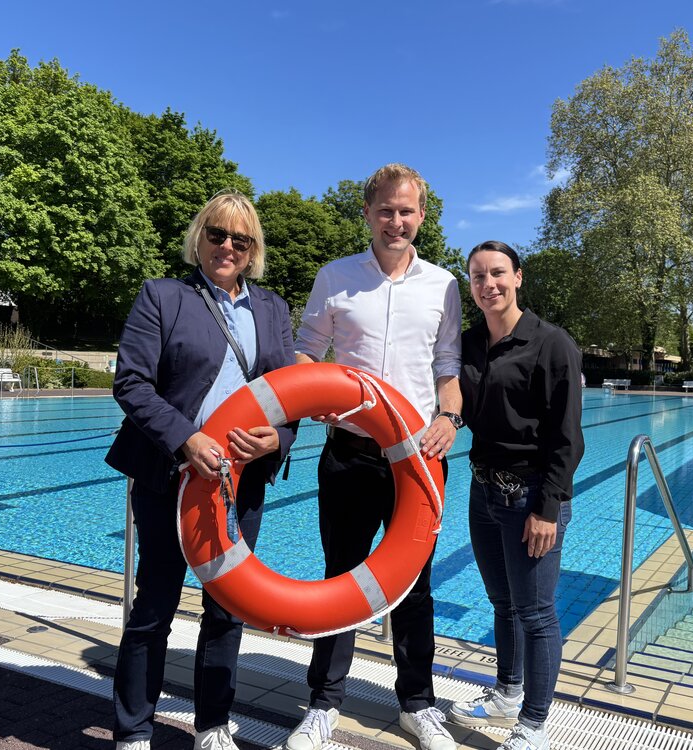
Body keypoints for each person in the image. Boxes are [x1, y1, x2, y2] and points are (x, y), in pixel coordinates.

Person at [106, 191, 297, 750]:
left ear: (254, 249)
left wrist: (277, 441)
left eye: (242, 239)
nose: (228, 246)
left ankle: (213, 726)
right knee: (156, 602)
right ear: (200, 237)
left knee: (226, 608)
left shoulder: (272, 309)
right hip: (170, 474)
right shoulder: (163, 297)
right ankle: (134, 730)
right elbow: (132, 383)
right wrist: (185, 438)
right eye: (218, 234)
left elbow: (289, 398)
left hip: (239, 484)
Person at [288, 164, 462, 750]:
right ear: (367, 213)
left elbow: (449, 369)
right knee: (340, 575)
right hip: (348, 454)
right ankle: (323, 703)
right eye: (385, 210)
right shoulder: (335, 277)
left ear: (421, 216)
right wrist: (311, 391)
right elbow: (306, 352)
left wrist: (450, 416)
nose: (396, 221)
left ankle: (418, 703)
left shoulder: (443, 285)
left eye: (406, 211)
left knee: (415, 584)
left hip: (415, 463)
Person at [447, 241, 584, 750]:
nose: (489, 284)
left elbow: (568, 438)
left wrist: (547, 510)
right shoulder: (470, 343)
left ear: (518, 277)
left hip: (530, 497)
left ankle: (533, 724)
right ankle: (507, 691)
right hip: (483, 493)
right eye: (478, 276)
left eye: (498, 273)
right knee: (502, 603)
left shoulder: (552, 344)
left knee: (537, 613)